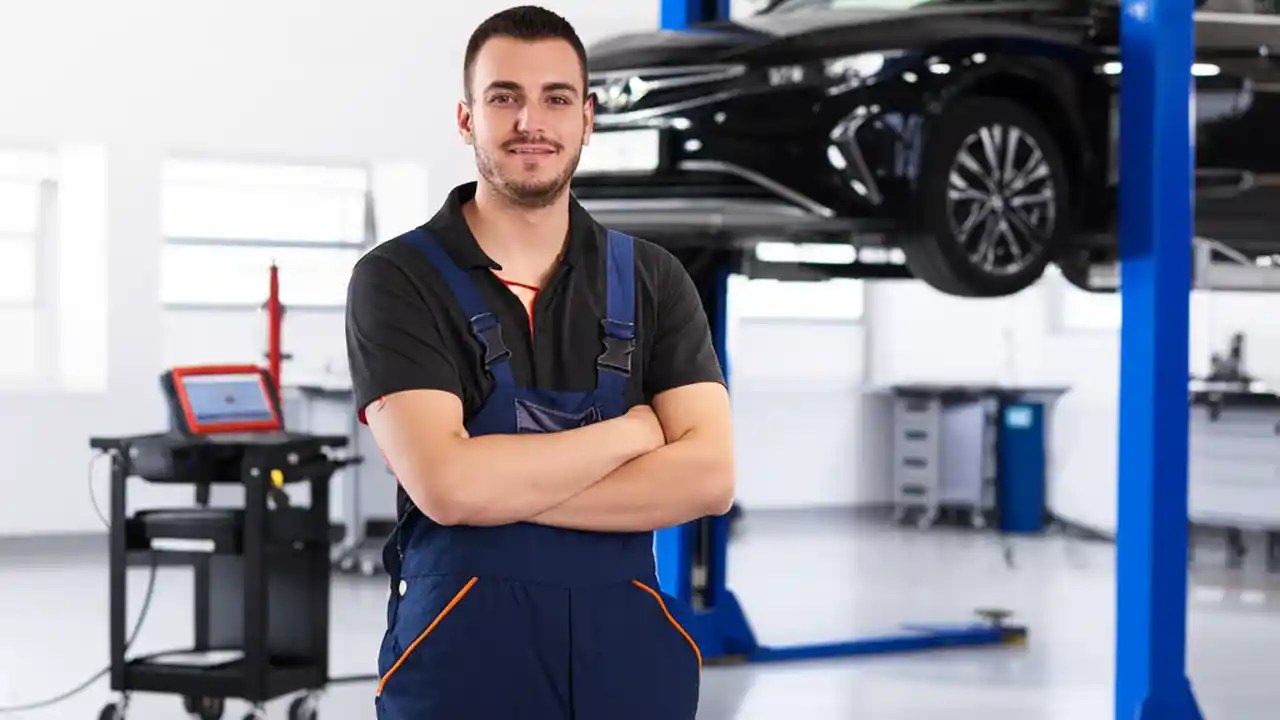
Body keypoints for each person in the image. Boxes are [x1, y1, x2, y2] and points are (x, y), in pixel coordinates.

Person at [344, 5, 736, 719]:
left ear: (587, 117)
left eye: (556, 98)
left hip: (628, 664)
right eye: (505, 98)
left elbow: (710, 479)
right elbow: (448, 488)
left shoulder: (654, 279)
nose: (532, 121)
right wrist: (629, 436)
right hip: (461, 664)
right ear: (467, 119)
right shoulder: (398, 279)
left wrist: (499, 485)